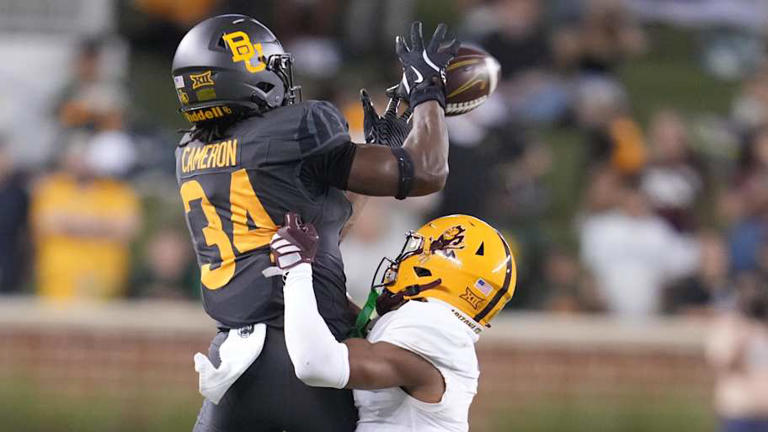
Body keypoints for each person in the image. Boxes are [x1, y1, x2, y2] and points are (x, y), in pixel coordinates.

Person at [171, 15, 460, 431]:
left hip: (232, 362)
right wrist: (427, 91)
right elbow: (428, 171)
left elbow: (317, 233)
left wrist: (376, 150)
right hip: (305, 354)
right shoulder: (298, 129)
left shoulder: (191, 152)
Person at [267, 212, 516, 431]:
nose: (402, 261)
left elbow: (316, 364)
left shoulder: (434, 327)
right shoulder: (435, 328)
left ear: (441, 268)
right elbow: (357, 334)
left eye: (418, 251)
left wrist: (296, 270)